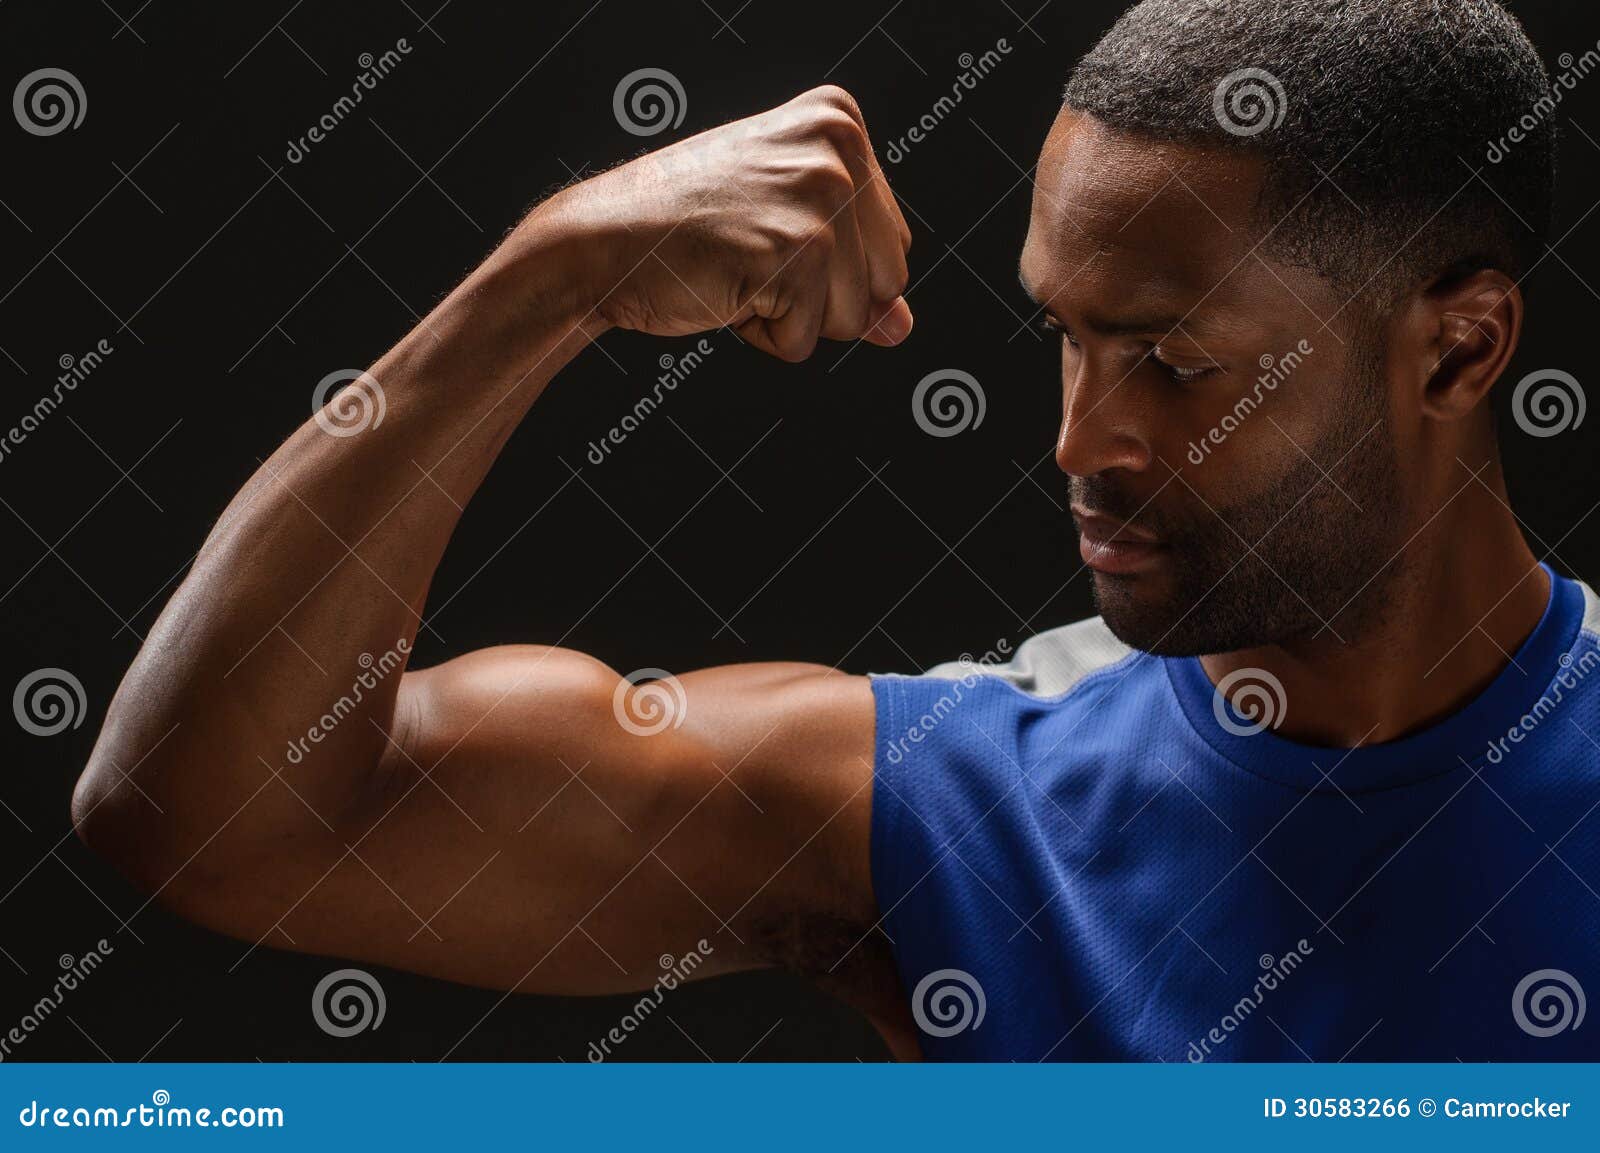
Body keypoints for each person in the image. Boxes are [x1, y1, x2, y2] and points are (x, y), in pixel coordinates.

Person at [74, 0, 1598, 1060]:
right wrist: (548, 281)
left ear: (1459, 352)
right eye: (1066, 339)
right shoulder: (959, 801)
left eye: (1177, 364)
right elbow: (213, 818)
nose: (1079, 442)